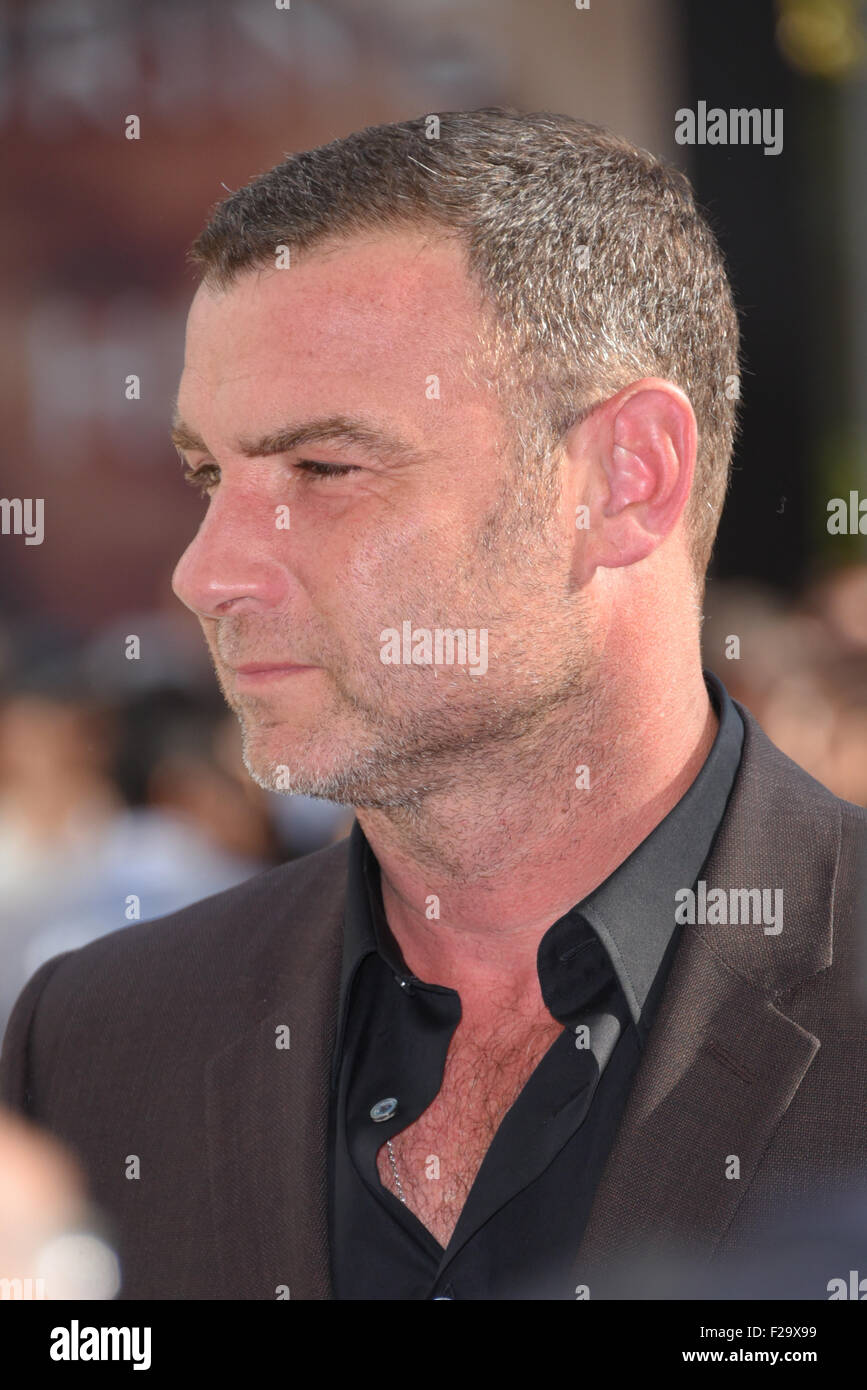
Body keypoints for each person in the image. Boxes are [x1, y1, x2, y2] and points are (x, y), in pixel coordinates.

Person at [1, 108, 864, 1300]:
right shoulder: (99, 1038)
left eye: (325, 470)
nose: (206, 571)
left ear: (628, 478)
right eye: (209, 473)